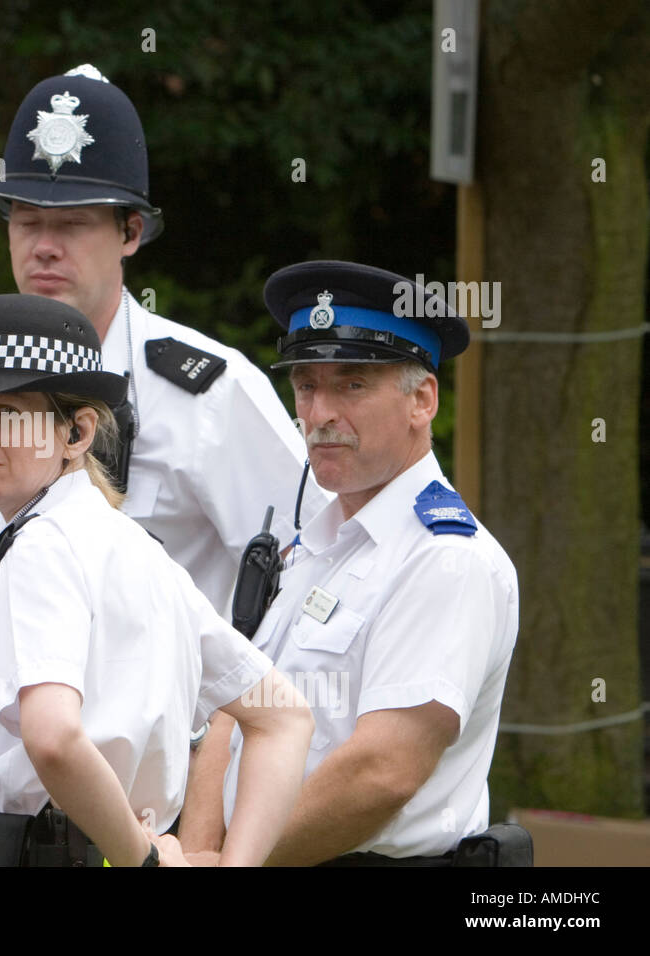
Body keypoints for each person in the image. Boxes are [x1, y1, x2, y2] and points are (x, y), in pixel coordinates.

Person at [0, 63, 329, 865]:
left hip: (133, 798)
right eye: (25, 220)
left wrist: (207, 778)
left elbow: (301, 577)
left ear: (131, 232)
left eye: (74, 222)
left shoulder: (210, 387)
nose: (45, 245)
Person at [0, 293, 313, 867]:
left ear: (77, 433)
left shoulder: (41, 548)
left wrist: (141, 861)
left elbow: (52, 737)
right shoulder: (141, 552)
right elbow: (283, 715)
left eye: (5, 414)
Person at [175, 260, 520, 866]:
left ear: (422, 400)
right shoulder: (312, 546)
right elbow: (236, 716)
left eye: (352, 385)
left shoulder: (445, 559)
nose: (321, 412)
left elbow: (382, 772)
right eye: (307, 385)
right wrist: (200, 851)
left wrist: (235, 862)